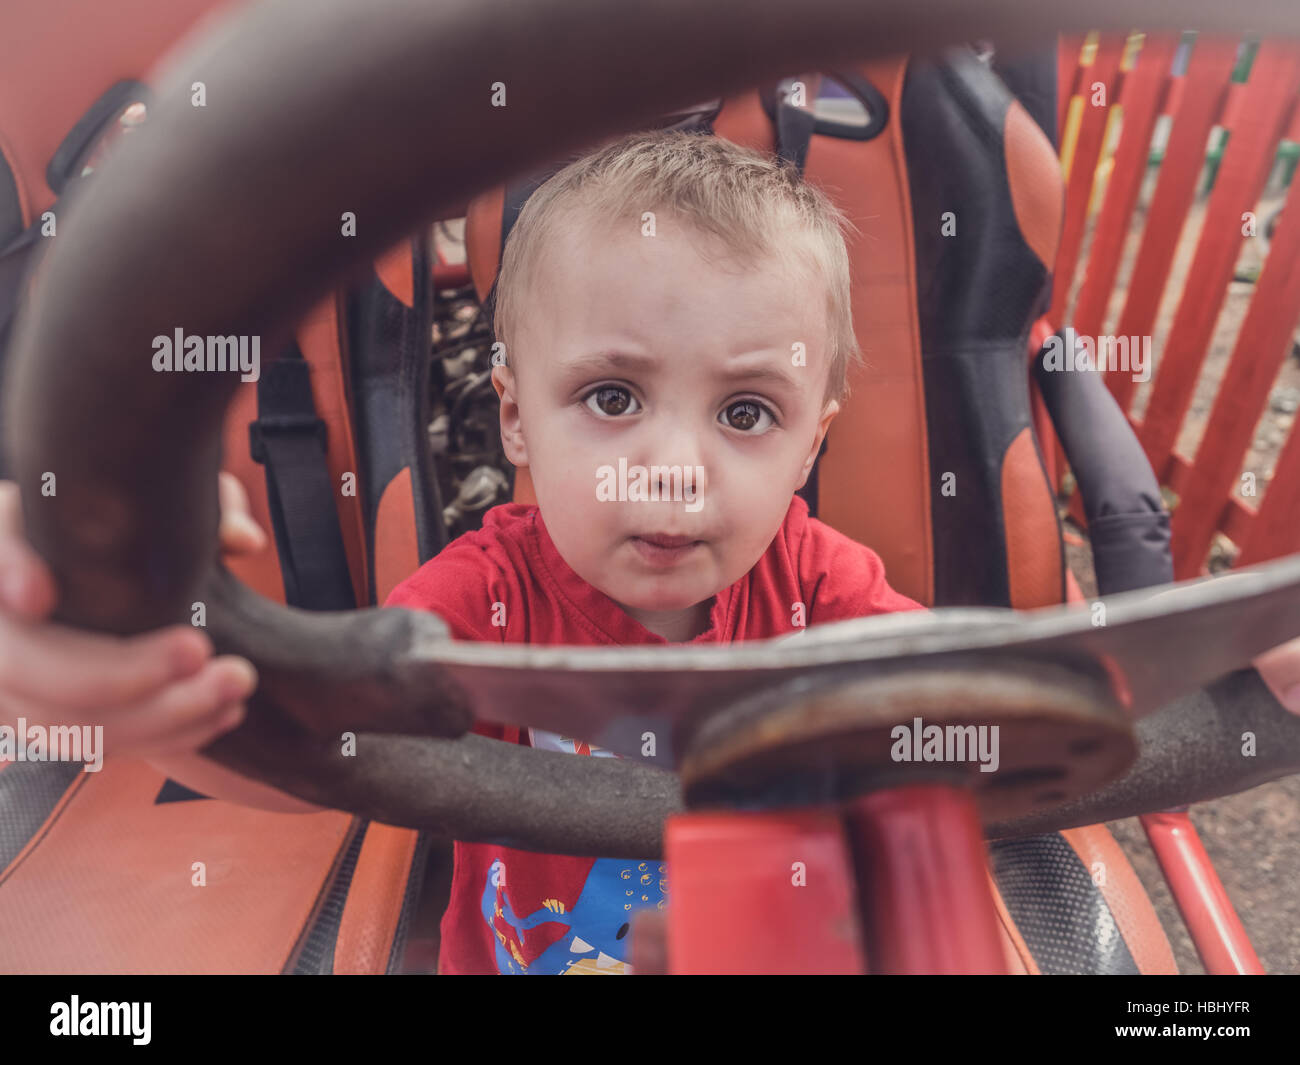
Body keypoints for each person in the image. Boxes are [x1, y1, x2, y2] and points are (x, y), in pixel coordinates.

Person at [1, 129, 1298, 971]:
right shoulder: (482, 597)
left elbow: (989, 704)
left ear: (810, 441)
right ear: (516, 415)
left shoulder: (825, 590)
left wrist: (1243, 673)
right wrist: (157, 687)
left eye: (745, 413)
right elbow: (312, 754)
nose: (673, 470)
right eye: (612, 397)